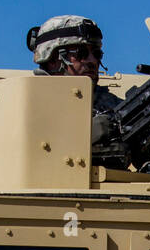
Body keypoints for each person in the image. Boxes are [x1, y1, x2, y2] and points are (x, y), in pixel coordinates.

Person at [26, 15, 131, 169]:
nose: (92, 61)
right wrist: (87, 134)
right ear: (53, 59)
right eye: (81, 54)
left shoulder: (109, 103)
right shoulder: (29, 101)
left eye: (96, 54)